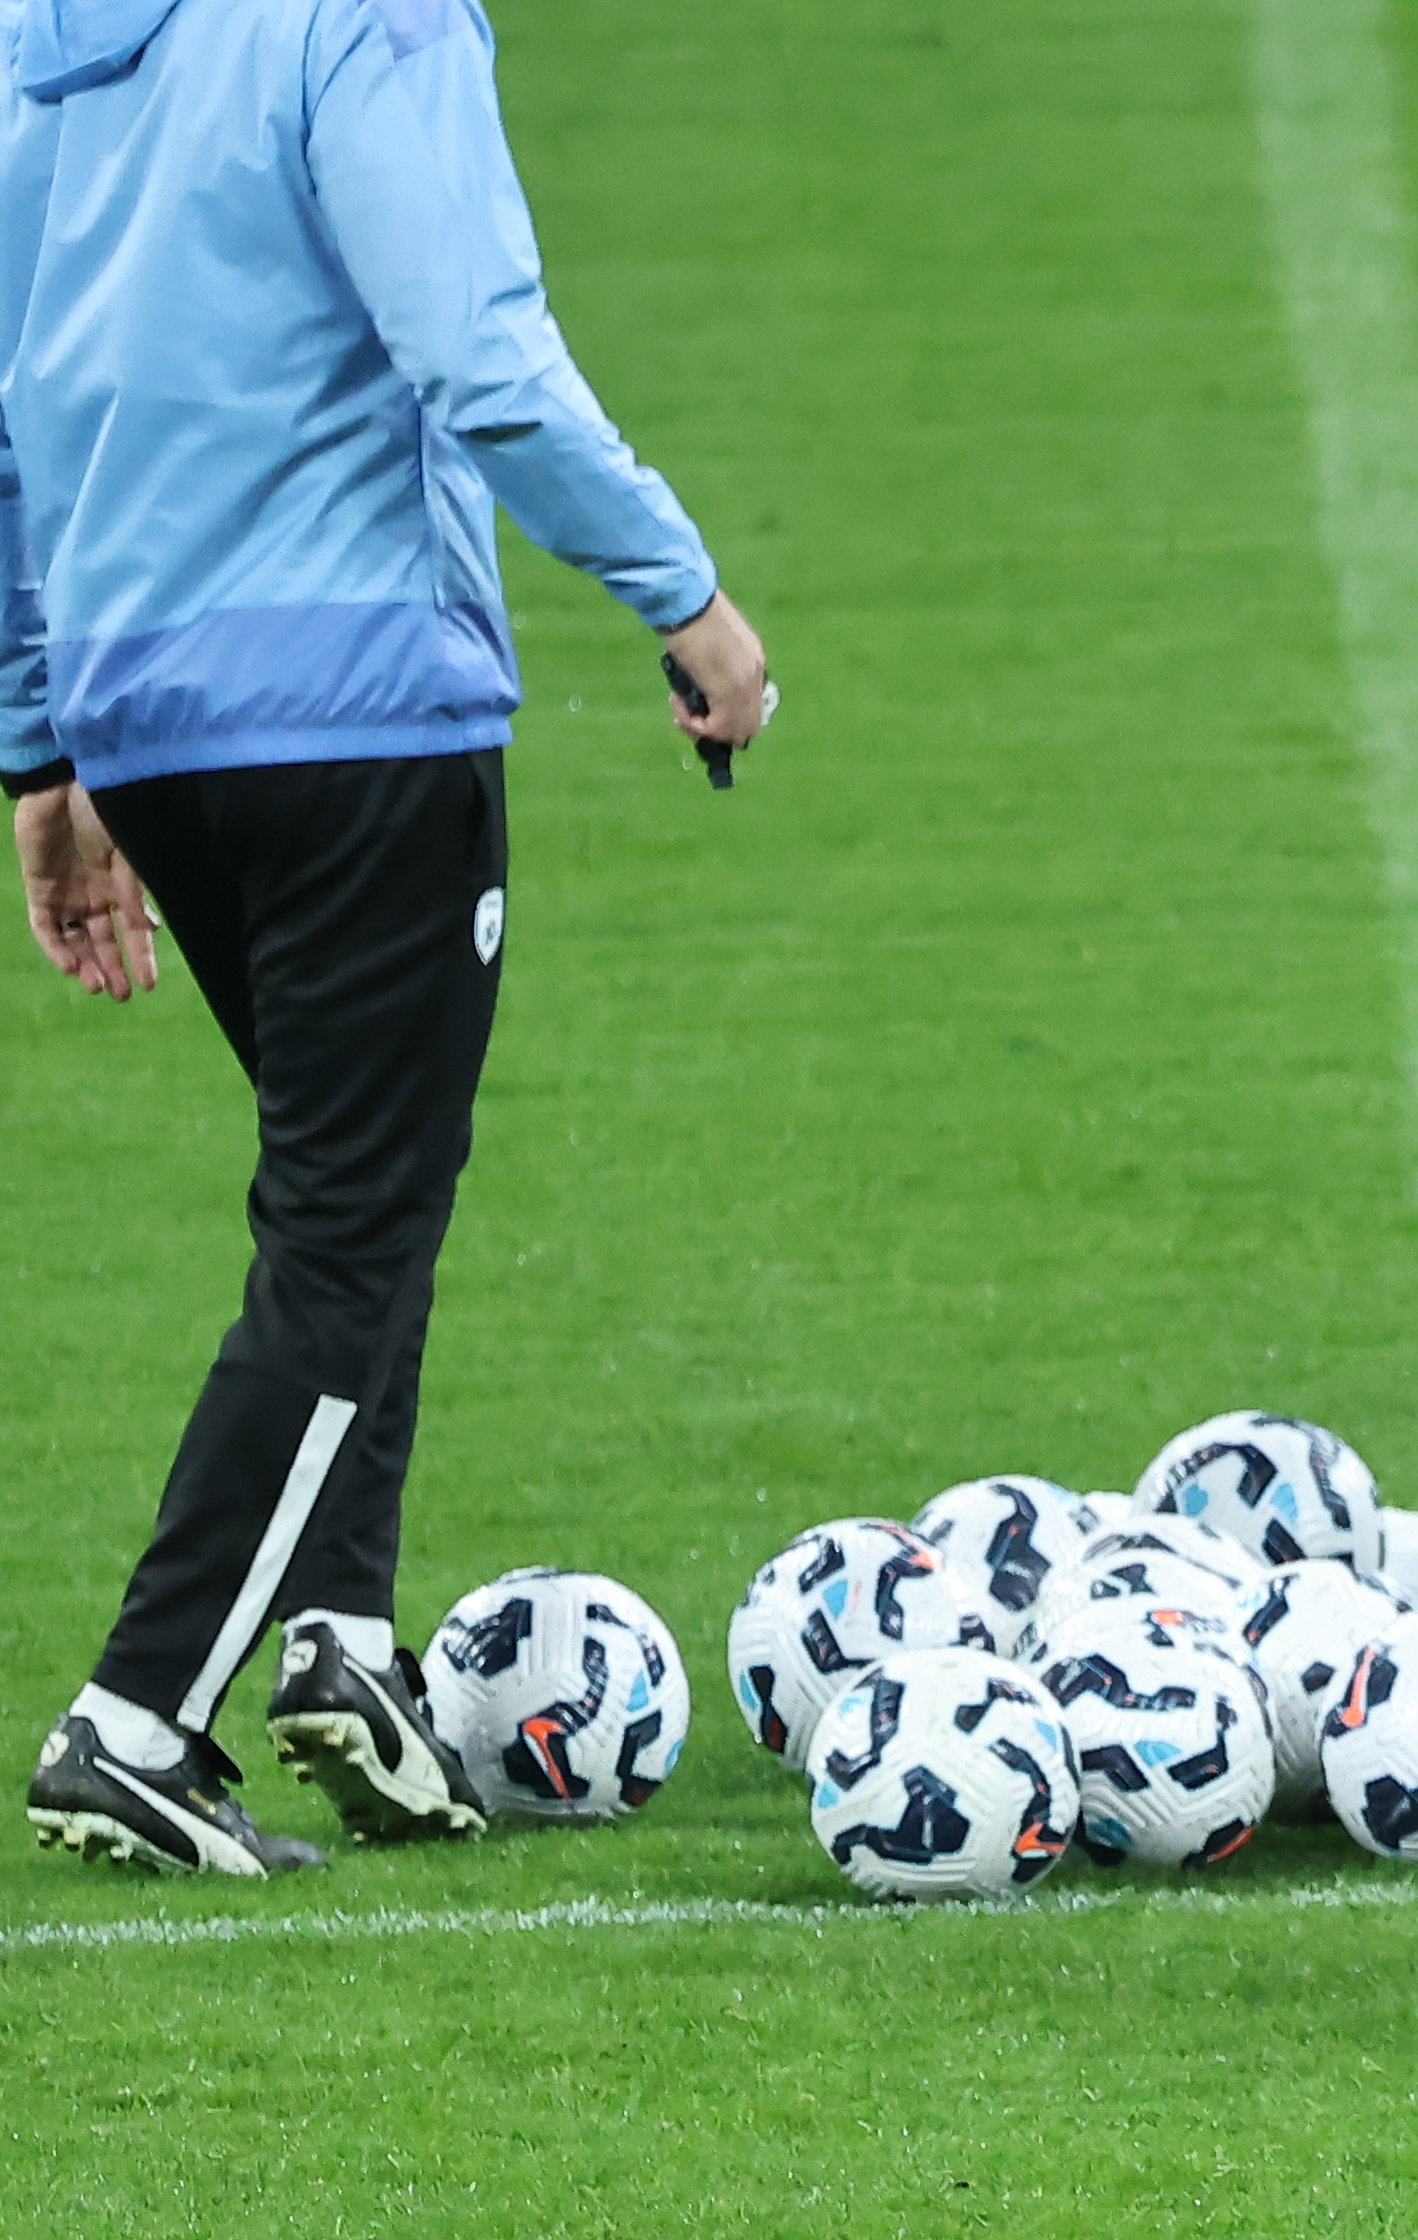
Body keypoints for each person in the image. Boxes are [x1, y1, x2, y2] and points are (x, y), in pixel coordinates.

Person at [5, 0, 769, 1874]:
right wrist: (688, 597)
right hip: (359, 710)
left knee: (359, 1184)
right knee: (350, 1231)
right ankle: (135, 1716)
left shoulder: (39, 38)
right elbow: (478, 357)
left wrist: (41, 744)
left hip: (150, 722)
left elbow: (14, 408)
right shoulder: (366, 17)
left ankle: (337, 1636)